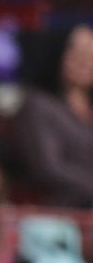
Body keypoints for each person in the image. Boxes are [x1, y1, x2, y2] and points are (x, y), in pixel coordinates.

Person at [10, 24, 93, 209]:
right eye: (74, 51)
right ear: (57, 53)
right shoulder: (38, 104)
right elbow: (47, 167)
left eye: (90, 53)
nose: (84, 60)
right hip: (55, 212)